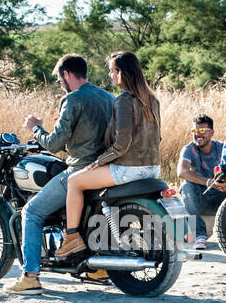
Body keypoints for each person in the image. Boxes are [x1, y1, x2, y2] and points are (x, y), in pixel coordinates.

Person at [4, 54, 114, 293]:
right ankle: (97, 269)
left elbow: (52, 144)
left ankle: (30, 276)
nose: (59, 83)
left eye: (58, 79)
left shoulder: (72, 99)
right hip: (105, 169)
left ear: (66, 74)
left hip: (80, 169)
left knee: (31, 212)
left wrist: (36, 128)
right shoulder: (108, 97)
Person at [55, 51, 162, 259]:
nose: (110, 75)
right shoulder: (151, 99)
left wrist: (97, 162)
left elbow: (121, 145)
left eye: (113, 71)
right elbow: (157, 139)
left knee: (75, 181)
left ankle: (72, 238)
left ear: (122, 73)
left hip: (127, 168)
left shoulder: (124, 100)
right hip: (152, 167)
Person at [177, 114, 226, 248]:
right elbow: (182, 172)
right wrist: (208, 182)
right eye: (194, 131)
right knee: (186, 187)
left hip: (224, 196)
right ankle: (198, 235)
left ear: (212, 133)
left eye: (202, 131)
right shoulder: (189, 149)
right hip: (203, 199)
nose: (198, 134)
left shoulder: (223, 147)